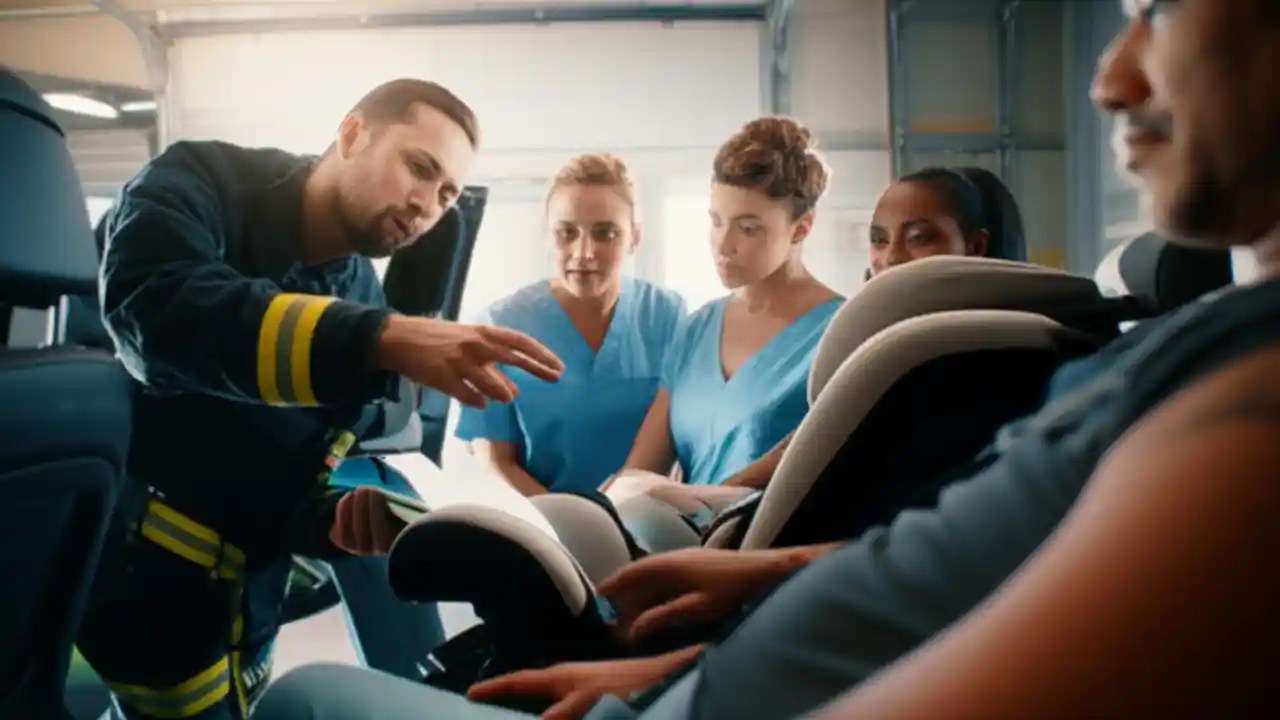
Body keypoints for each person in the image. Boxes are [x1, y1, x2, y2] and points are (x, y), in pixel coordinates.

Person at [254, 0, 1280, 717]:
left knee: (302, 695)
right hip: (698, 661)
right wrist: (715, 631)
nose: (1110, 76)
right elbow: (960, 579)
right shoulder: (1156, 366)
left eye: (1166, 7)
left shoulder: (1232, 403)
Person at [76, 79, 565, 720]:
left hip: (250, 602)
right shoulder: (198, 182)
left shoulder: (357, 284)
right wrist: (379, 339)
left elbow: (295, 457)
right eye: (419, 169)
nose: (427, 206)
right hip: (138, 583)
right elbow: (155, 318)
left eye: (447, 195)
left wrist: (338, 519)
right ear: (353, 132)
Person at [714, 164, 1028, 492]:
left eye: (918, 238)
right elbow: (817, 439)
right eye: (879, 240)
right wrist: (715, 499)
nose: (891, 256)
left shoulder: (990, 358)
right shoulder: (874, 342)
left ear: (975, 246)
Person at [606, 116, 843, 502]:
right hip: (682, 546)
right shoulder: (697, 329)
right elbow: (641, 470)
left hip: (776, 549)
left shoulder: (841, 332)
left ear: (801, 229)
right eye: (716, 222)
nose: (722, 245)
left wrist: (696, 502)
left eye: (748, 229)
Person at [454, 154, 686, 497]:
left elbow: (682, 443)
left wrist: (619, 517)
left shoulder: (667, 317)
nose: (584, 251)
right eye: (567, 233)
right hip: (540, 526)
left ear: (635, 237)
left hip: (644, 521)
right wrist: (569, 528)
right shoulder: (501, 325)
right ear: (547, 235)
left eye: (605, 233)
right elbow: (496, 463)